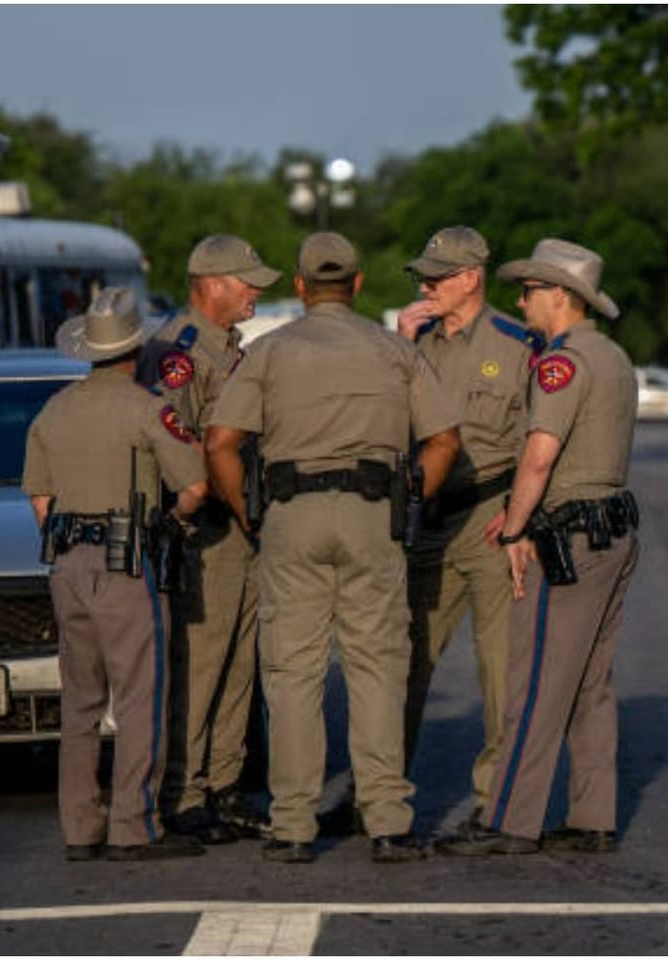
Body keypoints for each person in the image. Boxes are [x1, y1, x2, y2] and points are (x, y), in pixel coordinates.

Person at [205, 231, 460, 864]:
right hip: (375, 514)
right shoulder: (392, 352)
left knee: (292, 674)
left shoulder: (270, 352)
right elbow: (446, 439)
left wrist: (250, 515)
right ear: (357, 283)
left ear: (299, 287)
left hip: (291, 516)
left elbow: (220, 443)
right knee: (377, 668)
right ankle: (388, 823)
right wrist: (410, 497)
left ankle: (293, 824)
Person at [437, 238, 640, 856]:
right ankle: (592, 816)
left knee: (535, 684)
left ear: (560, 296)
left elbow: (539, 455)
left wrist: (517, 526)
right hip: (613, 528)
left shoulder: (563, 361)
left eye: (529, 290)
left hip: (570, 536)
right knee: (589, 683)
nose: (520, 300)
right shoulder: (614, 357)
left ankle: (507, 820)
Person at [22, 287, 209, 861]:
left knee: (79, 702)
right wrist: (167, 523)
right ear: (135, 351)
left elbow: (42, 502)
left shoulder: (54, 410)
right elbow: (195, 489)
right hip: (126, 562)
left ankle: (80, 829)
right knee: (137, 698)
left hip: (68, 564)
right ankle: (134, 825)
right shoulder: (149, 409)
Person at [395, 226, 542, 822]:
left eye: (437, 276)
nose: (426, 286)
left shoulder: (518, 344)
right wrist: (400, 346)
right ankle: (379, 794)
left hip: (491, 516)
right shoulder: (415, 342)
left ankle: (495, 803)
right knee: (399, 662)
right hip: (427, 519)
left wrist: (522, 517)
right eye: (423, 276)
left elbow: (544, 437)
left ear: (471, 278)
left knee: (500, 669)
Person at [138, 233, 281, 844]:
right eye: (247, 282)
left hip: (242, 526)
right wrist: (234, 502)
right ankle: (185, 789)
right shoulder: (180, 351)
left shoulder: (226, 348)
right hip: (206, 530)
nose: (255, 293)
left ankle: (225, 785)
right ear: (213, 284)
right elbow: (179, 447)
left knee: (238, 662)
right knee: (198, 663)